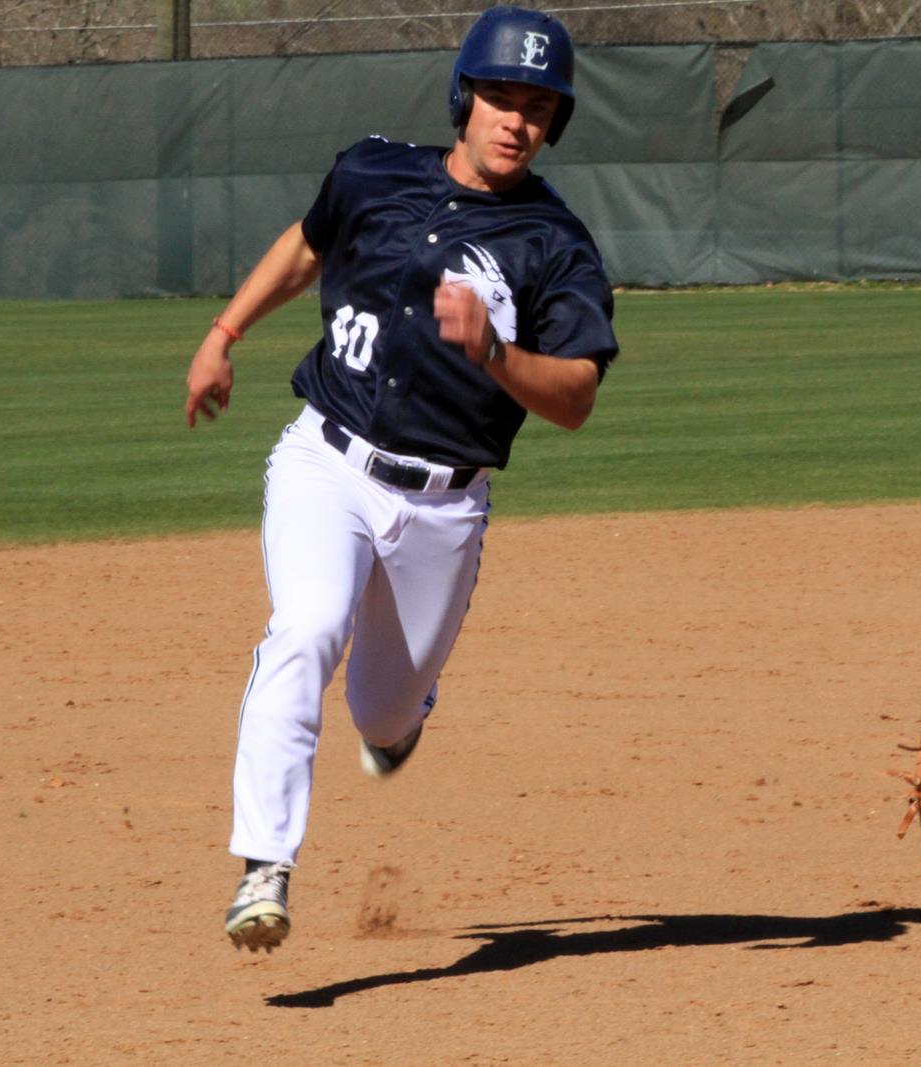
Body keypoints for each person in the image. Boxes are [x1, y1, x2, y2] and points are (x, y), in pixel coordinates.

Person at [183, 5, 618, 954]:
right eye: (500, 95)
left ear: (555, 123)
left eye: (537, 106)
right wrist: (223, 336)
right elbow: (307, 244)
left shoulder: (555, 245)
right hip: (326, 459)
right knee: (304, 629)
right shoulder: (372, 169)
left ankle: (400, 720)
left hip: (444, 506)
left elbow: (578, 394)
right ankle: (265, 866)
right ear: (464, 96)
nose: (515, 119)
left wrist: (497, 354)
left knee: (380, 710)